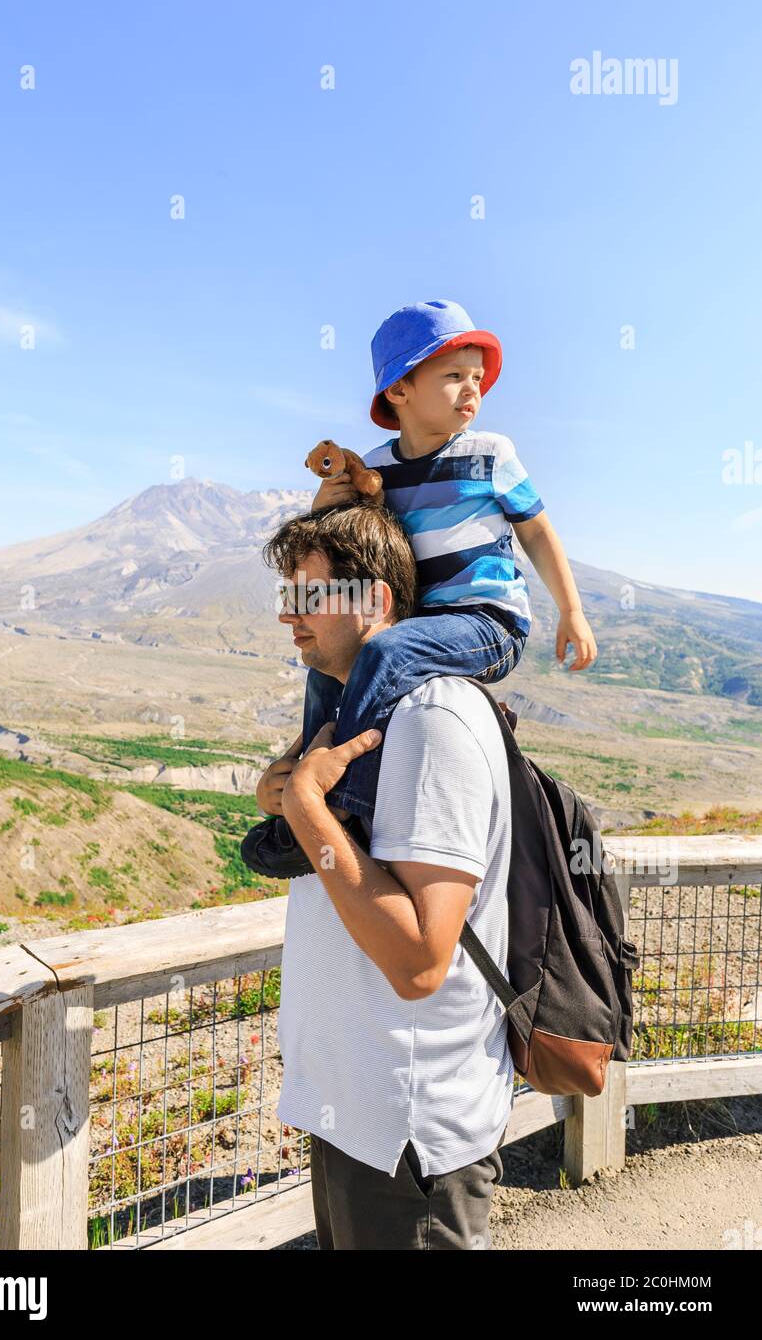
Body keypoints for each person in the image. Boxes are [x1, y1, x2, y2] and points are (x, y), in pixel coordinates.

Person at [243, 298, 596, 877]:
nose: (471, 390)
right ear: (400, 391)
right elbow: (339, 552)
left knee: (383, 649)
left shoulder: (491, 455)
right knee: (322, 671)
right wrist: (329, 493)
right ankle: (297, 798)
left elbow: (537, 531)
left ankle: (345, 807)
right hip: (414, 625)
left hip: (485, 624)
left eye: (477, 378)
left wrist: (572, 610)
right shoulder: (380, 468)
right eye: (453, 375)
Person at [264, 502, 515, 1250]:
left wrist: (308, 808)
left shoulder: (433, 720)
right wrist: (288, 801)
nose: (291, 617)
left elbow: (418, 961)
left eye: (310, 597)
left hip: (410, 1142)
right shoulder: (360, 718)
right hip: (354, 1116)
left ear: (375, 601)